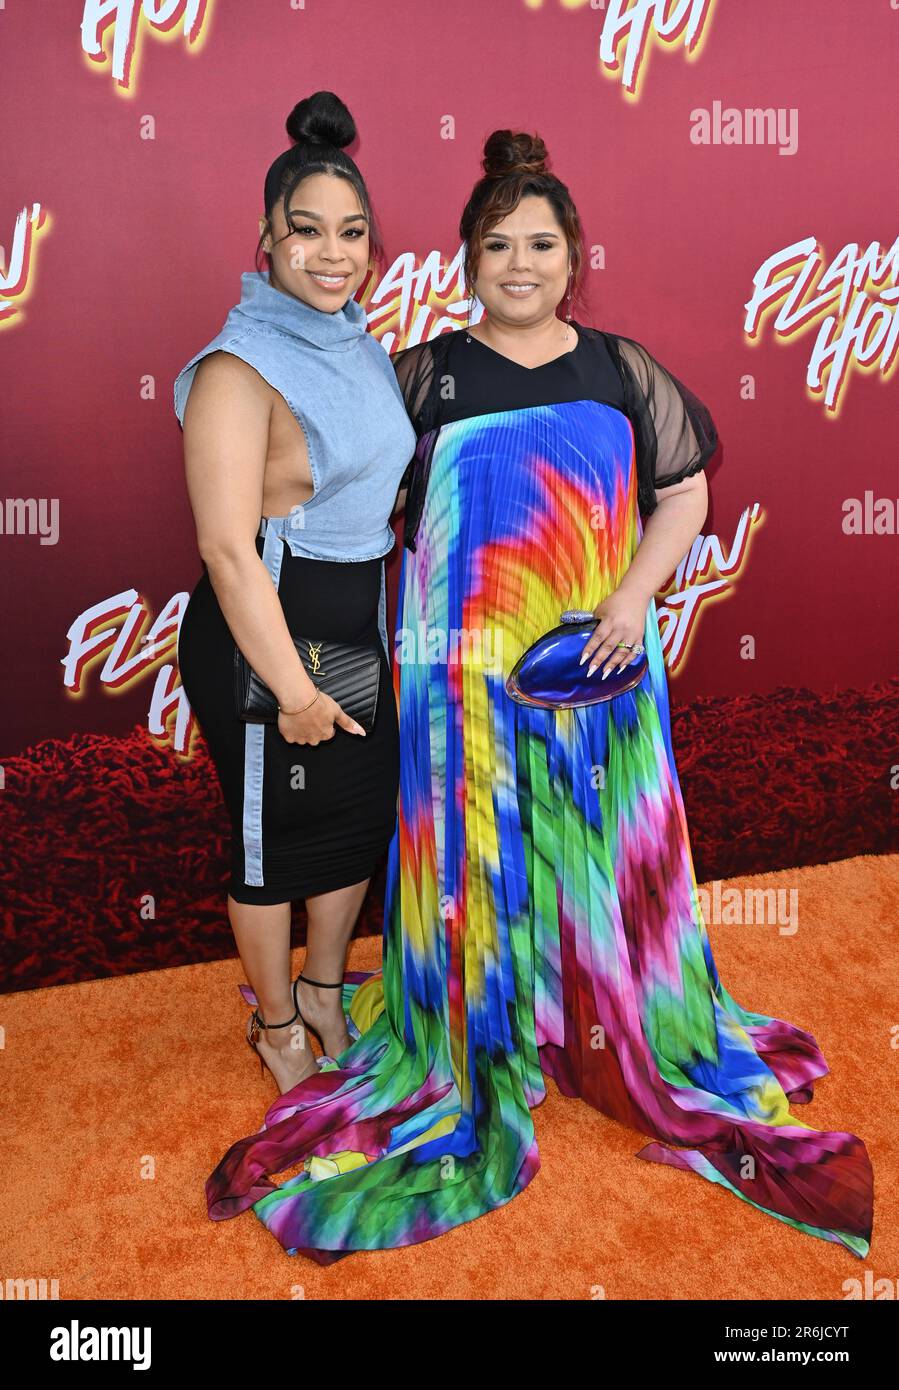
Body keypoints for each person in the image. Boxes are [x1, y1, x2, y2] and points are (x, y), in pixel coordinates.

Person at [204, 129, 874, 1265]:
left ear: (574, 257)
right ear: (465, 257)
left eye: (542, 244)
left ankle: (606, 1021)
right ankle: (478, 1031)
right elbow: (339, 488)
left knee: (599, 860)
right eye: (498, 244)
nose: (520, 264)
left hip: (599, 676)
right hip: (458, 692)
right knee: (477, 866)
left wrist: (629, 602)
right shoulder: (420, 371)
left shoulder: (621, 367)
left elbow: (685, 493)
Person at [174, 91, 416, 1094]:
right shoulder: (238, 367)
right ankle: (275, 1026)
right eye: (305, 231)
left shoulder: (356, 343)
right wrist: (295, 691)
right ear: (264, 239)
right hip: (265, 642)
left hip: (352, 627)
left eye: (351, 232)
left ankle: (322, 990)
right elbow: (228, 550)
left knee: (354, 822)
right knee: (271, 845)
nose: (332, 253)